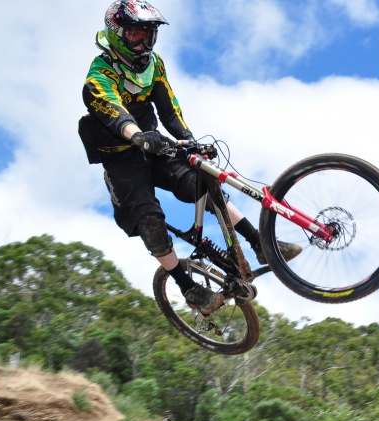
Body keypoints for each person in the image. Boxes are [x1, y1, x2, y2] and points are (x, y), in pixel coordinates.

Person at [78, 0, 301, 316]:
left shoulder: (154, 65)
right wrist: (137, 136)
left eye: (149, 36)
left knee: (203, 180)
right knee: (148, 220)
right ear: (116, 34)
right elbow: (113, 111)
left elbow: (169, 109)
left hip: (156, 146)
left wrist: (190, 142)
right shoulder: (99, 73)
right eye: (135, 36)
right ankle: (187, 287)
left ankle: (260, 243)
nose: (143, 43)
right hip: (121, 156)